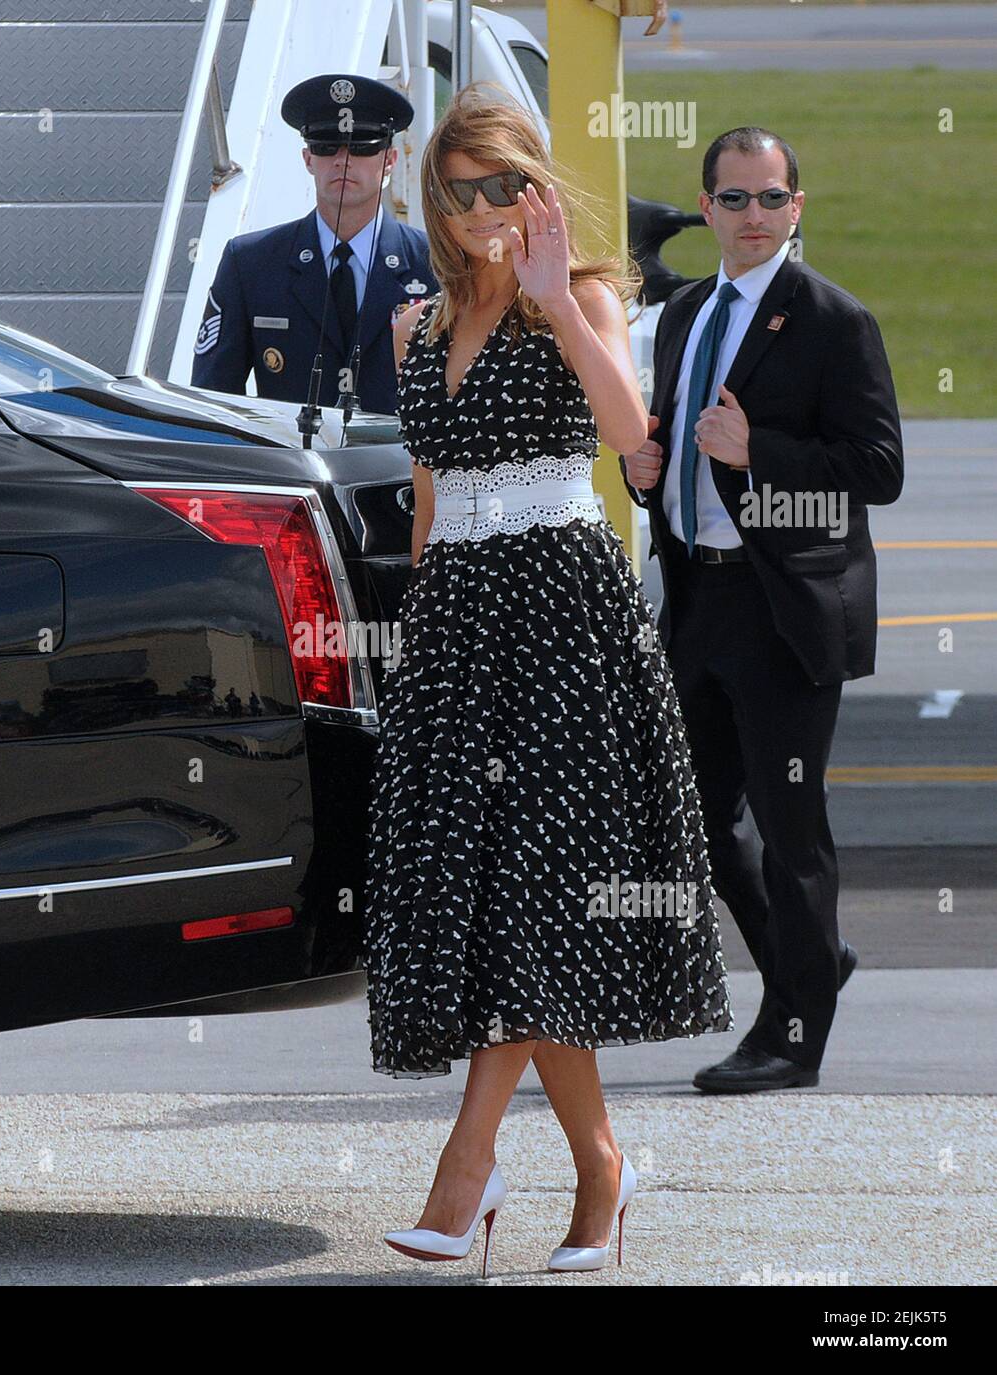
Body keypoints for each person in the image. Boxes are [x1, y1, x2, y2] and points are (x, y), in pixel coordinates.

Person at [362, 84, 733, 1279]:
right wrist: (413, 648)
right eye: (462, 189)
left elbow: (633, 436)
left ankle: (466, 1172)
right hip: (461, 629)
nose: (484, 208)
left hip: (566, 620)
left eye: (505, 185)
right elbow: (426, 500)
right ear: (437, 198)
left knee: (537, 895)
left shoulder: (582, 297)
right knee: (502, 911)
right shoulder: (412, 327)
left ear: (537, 189)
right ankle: (601, 1168)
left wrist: (556, 305)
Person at [618, 126, 904, 1094]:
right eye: (732, 200)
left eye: (769, 198)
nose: (751, 217)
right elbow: (673, 434)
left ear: (797, 207)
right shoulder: (689, 309)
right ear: (705, 209)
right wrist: (642, 467)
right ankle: (807, 962)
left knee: (789, 825)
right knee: (693, 824)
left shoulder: (831, 319)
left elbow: (877, 470)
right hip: (697, 593)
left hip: (784, 607)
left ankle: (790, 1031)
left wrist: (758, 455)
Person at [190, 73, 438, 416]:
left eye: (363, 145)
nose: (343, 159)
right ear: (308, 159)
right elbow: (213, 401)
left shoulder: (436, 264)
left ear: (390, 160)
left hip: (401, 466)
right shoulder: (251, 263)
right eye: (325, 145)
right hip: (295, 465)